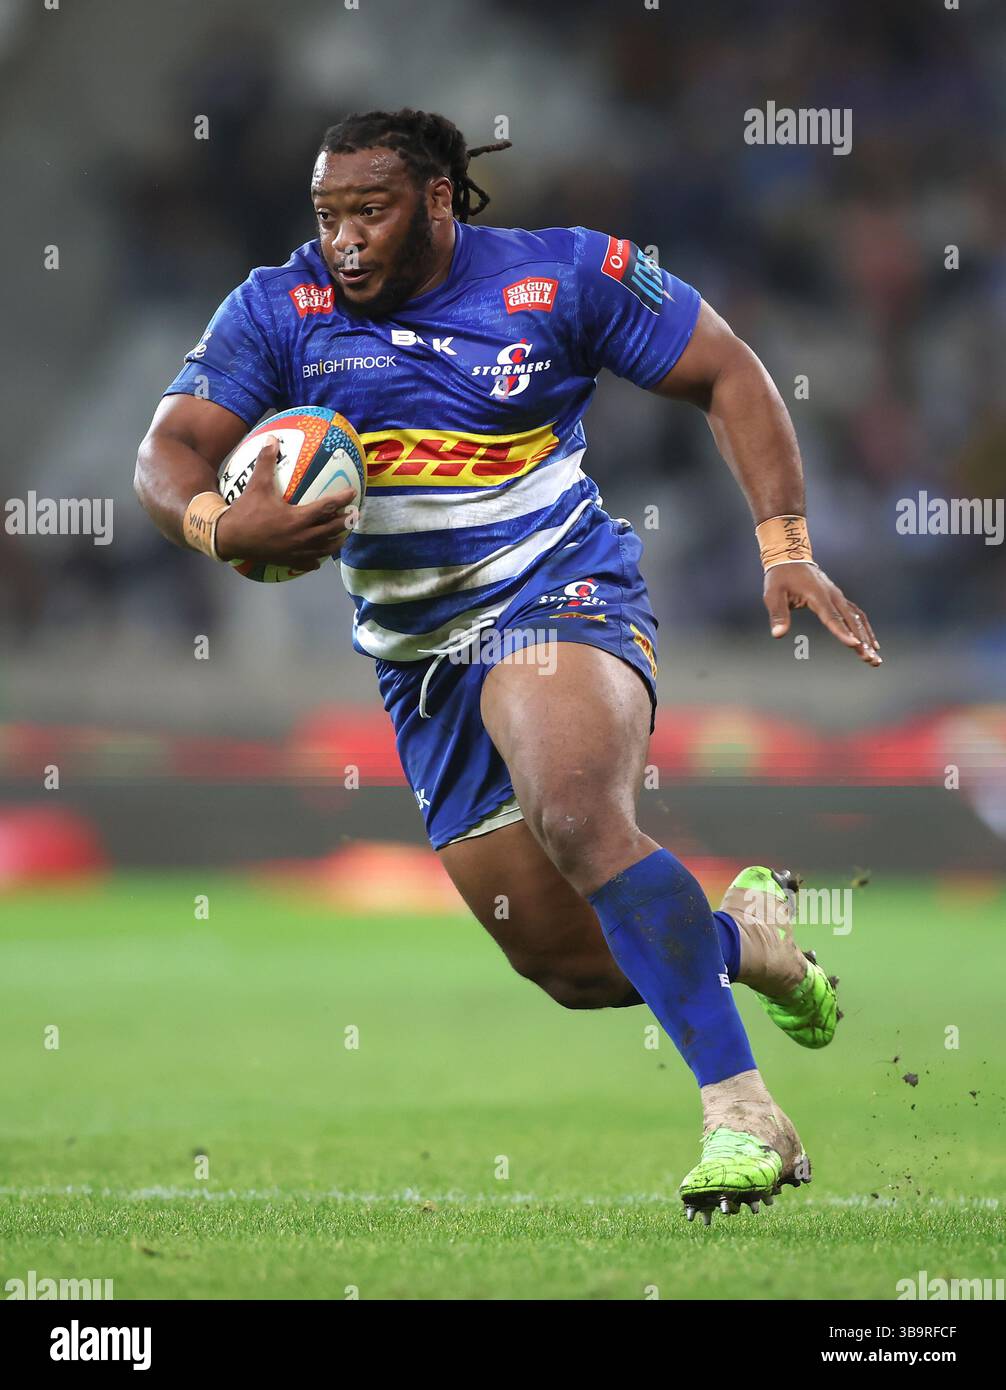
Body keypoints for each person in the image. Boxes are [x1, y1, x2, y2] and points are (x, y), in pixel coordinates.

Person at [134, 108, 880, 1223]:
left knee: (578, 811)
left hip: (556, 594)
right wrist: (212, 527)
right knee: (571, 967)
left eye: (370, 211)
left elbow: (727, 370)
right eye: (327, 215)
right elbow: (169, 451)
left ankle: (742, 1114)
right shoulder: (278, 308)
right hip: (421, 662)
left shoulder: (562, 276)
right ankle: (751, 946)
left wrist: (784, 547)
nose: (343, 239)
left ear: (438, 199)